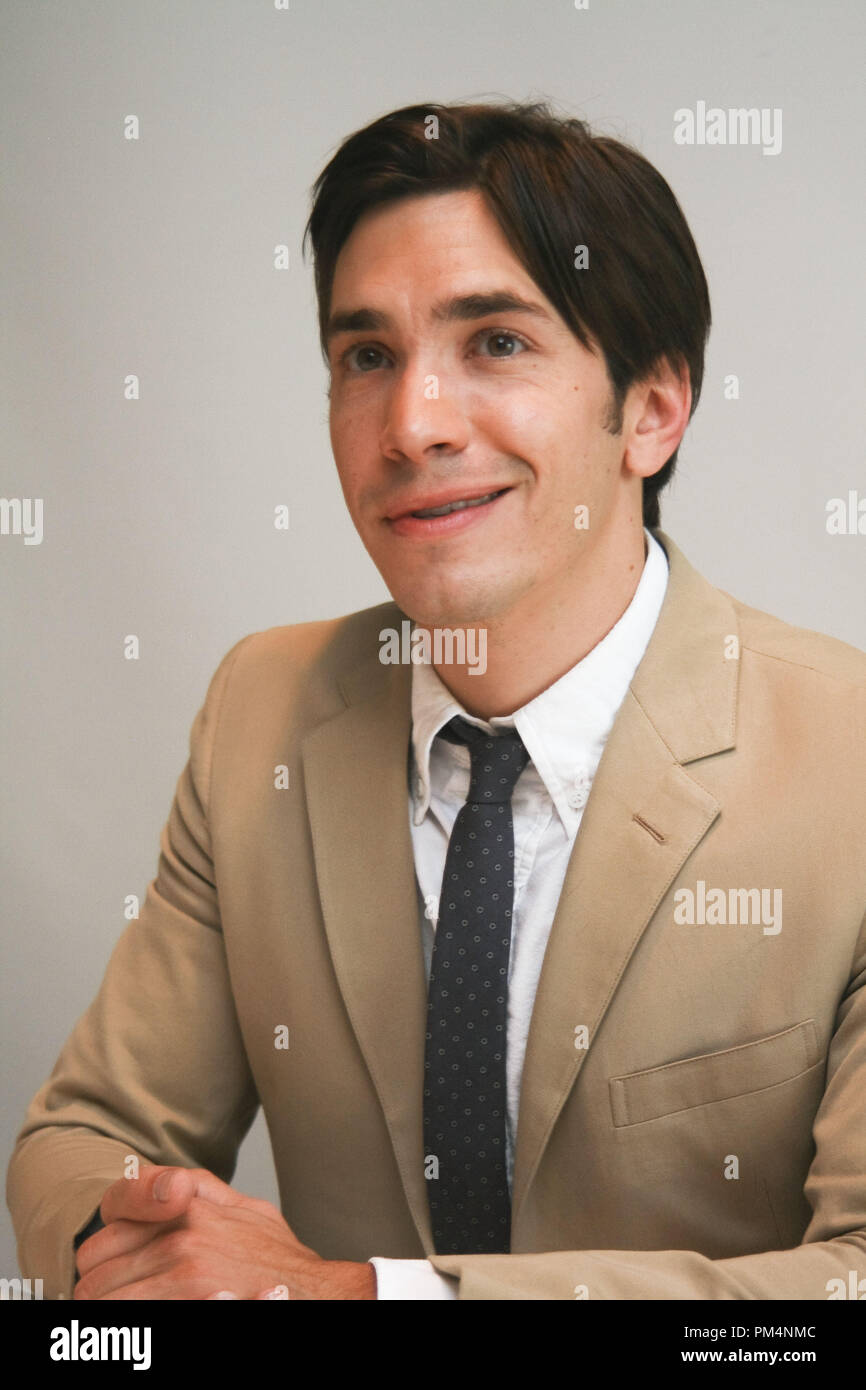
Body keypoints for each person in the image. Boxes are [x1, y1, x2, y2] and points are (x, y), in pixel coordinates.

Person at [7, 101, 866, 1301]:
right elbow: (85, 1134)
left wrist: (365, 1300)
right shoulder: (263, 714)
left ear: (653, 409)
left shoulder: (848, 764)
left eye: (496, 343)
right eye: (366, 356)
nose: (410, 425)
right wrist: (148, 1247)